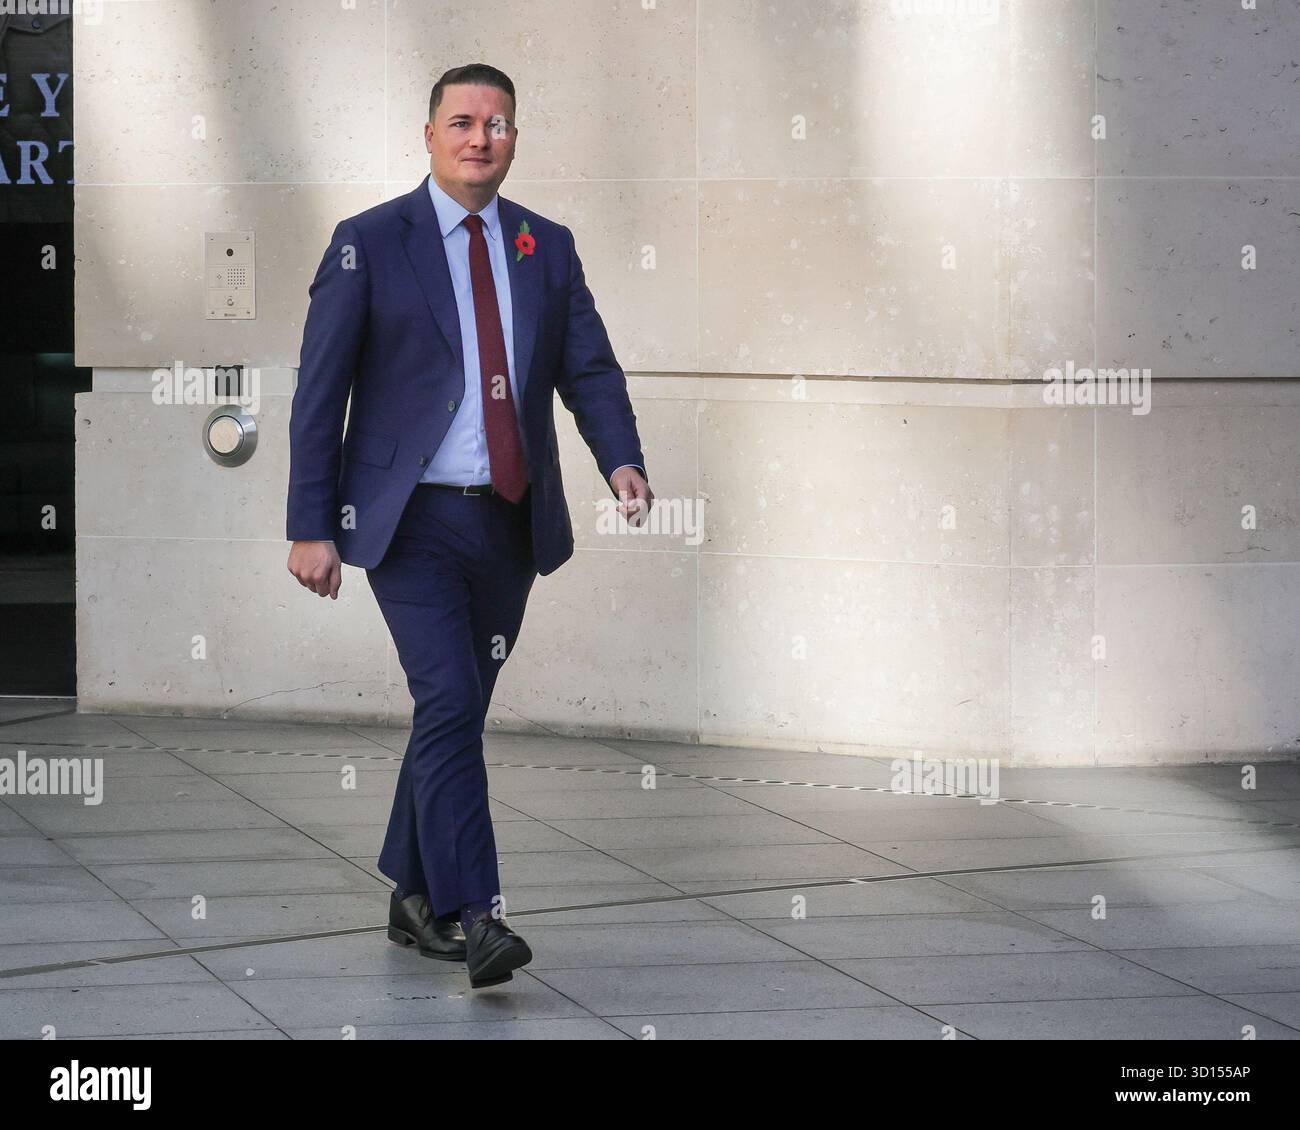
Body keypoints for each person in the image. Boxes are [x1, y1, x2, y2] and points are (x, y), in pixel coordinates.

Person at [285, 63, 652, 988]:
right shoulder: (369, 241)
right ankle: (477, 913)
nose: (480, 137)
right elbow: (319, 394)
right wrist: (310, 524)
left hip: (509, 527)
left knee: (454, 711)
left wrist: (621, 459)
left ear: (515, 138)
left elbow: (590, 368)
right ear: (430, 134)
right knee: (450, 703)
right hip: (406, 524)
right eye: (462, 121)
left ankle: (409, 892)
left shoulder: (546, 247)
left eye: (497, 124)